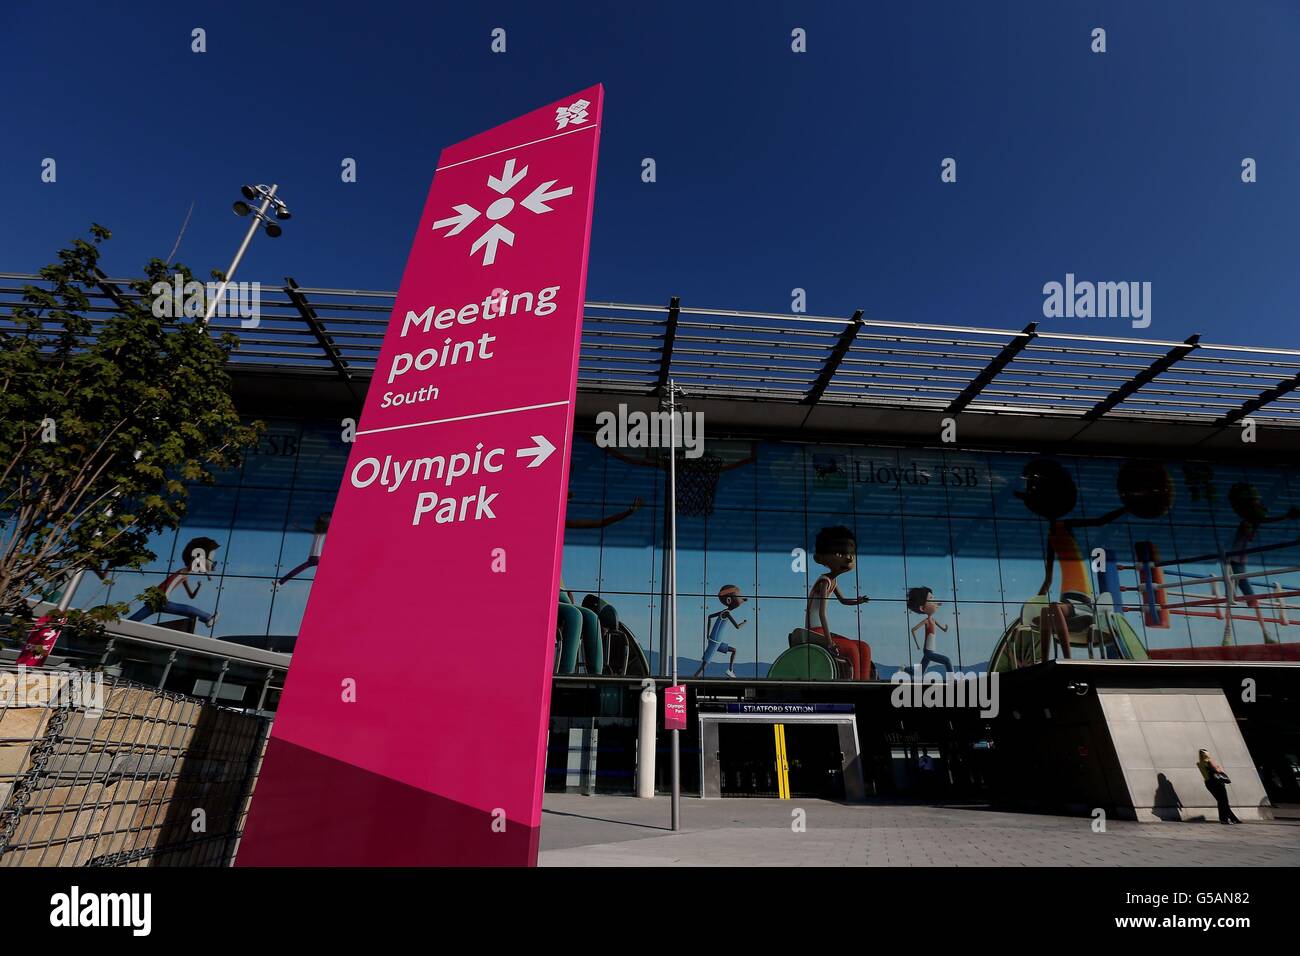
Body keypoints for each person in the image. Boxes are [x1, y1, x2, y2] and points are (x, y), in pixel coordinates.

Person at [1227, 483, 1299, 642]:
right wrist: (1285, 517)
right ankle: (1234, 634)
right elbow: (1263, 521)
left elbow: (1264, 521)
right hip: (1234, 563)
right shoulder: (1247, 523)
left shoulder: (1252, 523)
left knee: (1246, 599)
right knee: (1237, 598)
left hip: (1238, 563)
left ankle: (1263, 634)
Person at [805, 525, 871, 680]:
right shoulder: (824, 582)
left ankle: (865, 681)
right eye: (840, 554)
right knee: (852, 649)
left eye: (851, 554)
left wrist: (858, 601)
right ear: (820, 558)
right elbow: (822, 613)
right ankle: (855, 683)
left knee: (863, 647)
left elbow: (843, 601)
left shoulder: (832, 581)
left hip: (821, 630)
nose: (849, 558)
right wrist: (829, 642)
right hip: (815, 631)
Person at [129, 536, 220, 628]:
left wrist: (198, 586)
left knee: (133, 620)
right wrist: (164, 596)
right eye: (211, 560)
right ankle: (207, 618)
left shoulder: (184, 575)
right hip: (160, 599)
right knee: (187, 609)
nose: (212, 564)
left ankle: (119, 626)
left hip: (156, 599)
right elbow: (172, 582)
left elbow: (191, 595)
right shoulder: (183, 571)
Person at [693, 584, 746, 677]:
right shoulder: (726, 613)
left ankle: (730, 670)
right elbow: (737, 626)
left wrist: (707, 635)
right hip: (715, 643)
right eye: (739, 597)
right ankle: (691, 682)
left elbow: (709, 617)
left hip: (716, 642)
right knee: (703, 666)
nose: (740, 600)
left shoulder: (724, 612)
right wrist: (745, 622)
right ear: (729, 600)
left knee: (734, 650)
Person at [275, 512, 330, 588]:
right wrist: (298, 527)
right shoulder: (317, 532)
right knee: (296, 570)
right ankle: (280, 583)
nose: (315, 526)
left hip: (317, 558)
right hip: (312, 558)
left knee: (297, 570)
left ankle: (280, 583)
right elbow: (309, 530)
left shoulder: (325, 532)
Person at [907, 586, 952, 675]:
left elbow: (943, 629)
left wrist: (945, 629)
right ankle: (952, 680)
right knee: (946, 660)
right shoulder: (926, 621)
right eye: (931, 599)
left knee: (920, 672)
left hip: (931, 649)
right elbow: (913, 630)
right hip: (928, 651)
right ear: (922, 608)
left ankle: (904, 669)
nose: (934, 601)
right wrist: (917, 645)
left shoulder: (933, 620)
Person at [1197, 748, 1241, 824]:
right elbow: (1218, 770)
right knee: (1223, 801)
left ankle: (1233, 818)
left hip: (1208, 783)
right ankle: (1224, 819)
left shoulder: (1199, 763)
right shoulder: (1209, 761)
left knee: (1221, 801)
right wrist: (1218, 767)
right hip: (1216, 782)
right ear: (1207, 754)